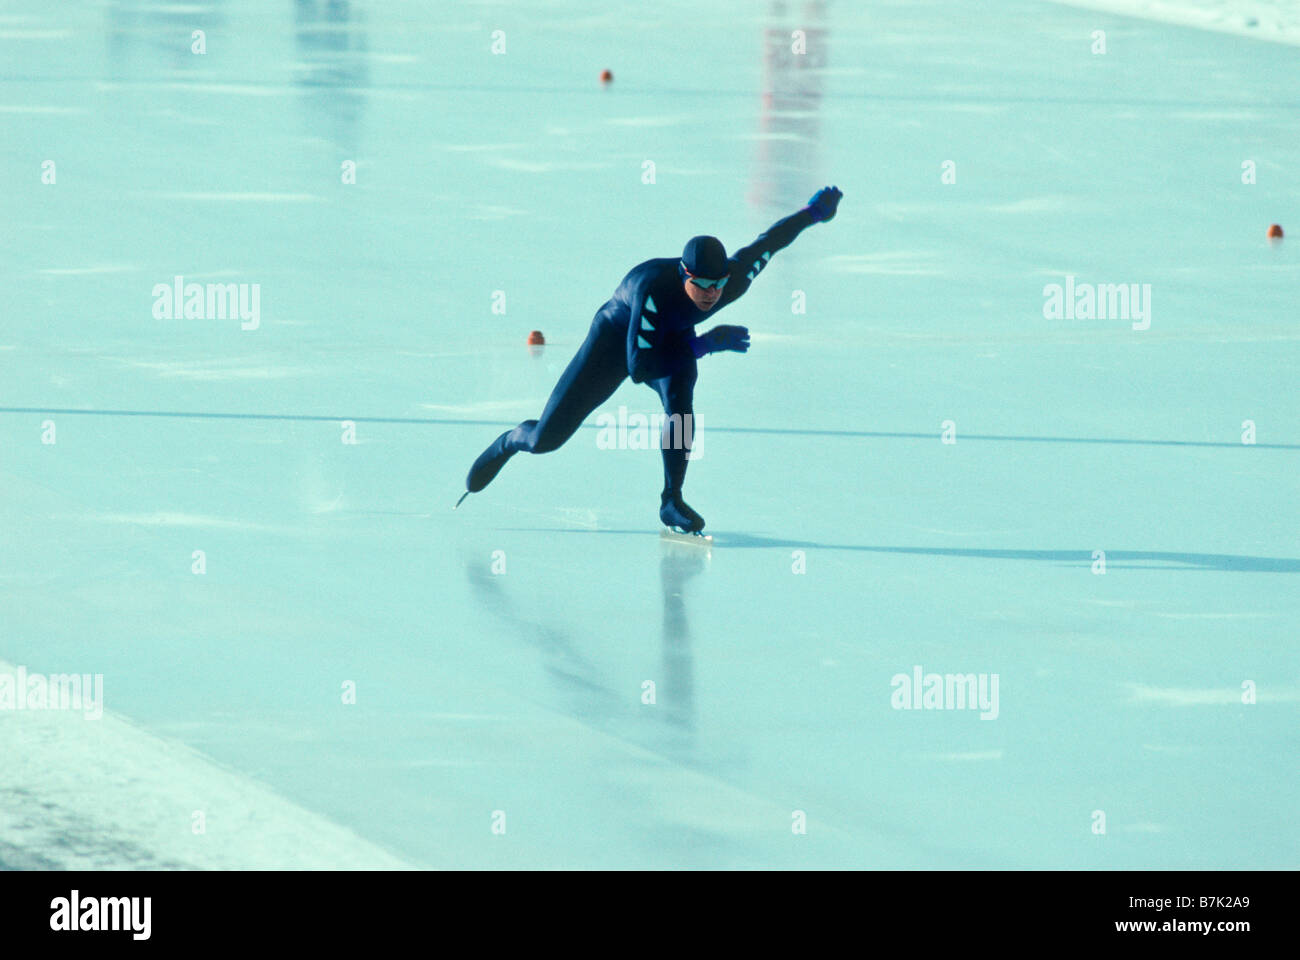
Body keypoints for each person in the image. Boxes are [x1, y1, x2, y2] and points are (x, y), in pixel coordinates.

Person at [459, 185, 844, 533]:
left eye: (718, 283)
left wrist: (813, 213)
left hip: (672, 338)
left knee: (681, 401)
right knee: (545, 440)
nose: (712, 294)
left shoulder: (734, 279)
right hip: (614, 345)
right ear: (684, 275)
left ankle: (671, 500)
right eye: (702, 285)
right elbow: (639, 367)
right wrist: (705, 344)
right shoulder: (653, 290)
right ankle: (509, 441)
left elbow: (770, 242)